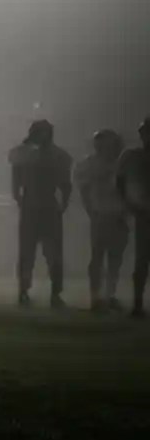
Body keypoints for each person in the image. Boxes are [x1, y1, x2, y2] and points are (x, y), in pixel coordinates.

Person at [10, 120, 73, 309]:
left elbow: (65, 184)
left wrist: (63, 204)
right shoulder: (29, 154)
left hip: (43, 206)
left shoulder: (55, 156)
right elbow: (16, 180)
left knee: (50, 253)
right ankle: (25, 291)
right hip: (37, 206)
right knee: (29, 254)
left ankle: (53, 292)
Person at [76, 129, 129, 312]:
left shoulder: (120, 163)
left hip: (117, 214)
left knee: (114, 258)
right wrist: (91, 211)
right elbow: (84, 191)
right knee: (99, 257)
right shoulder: (90, 164)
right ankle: (97, 295)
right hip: (101, 214)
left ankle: (108, 294)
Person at [117, 117, 150, 318]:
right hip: (143, 211)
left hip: (141, 210)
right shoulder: (131, 156)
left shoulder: (131, 157)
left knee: (142, 260)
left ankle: (138, 303)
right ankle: (137, 303)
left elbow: (120, 182)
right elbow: (120, 183)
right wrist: (128, 204)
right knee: (142, 260)